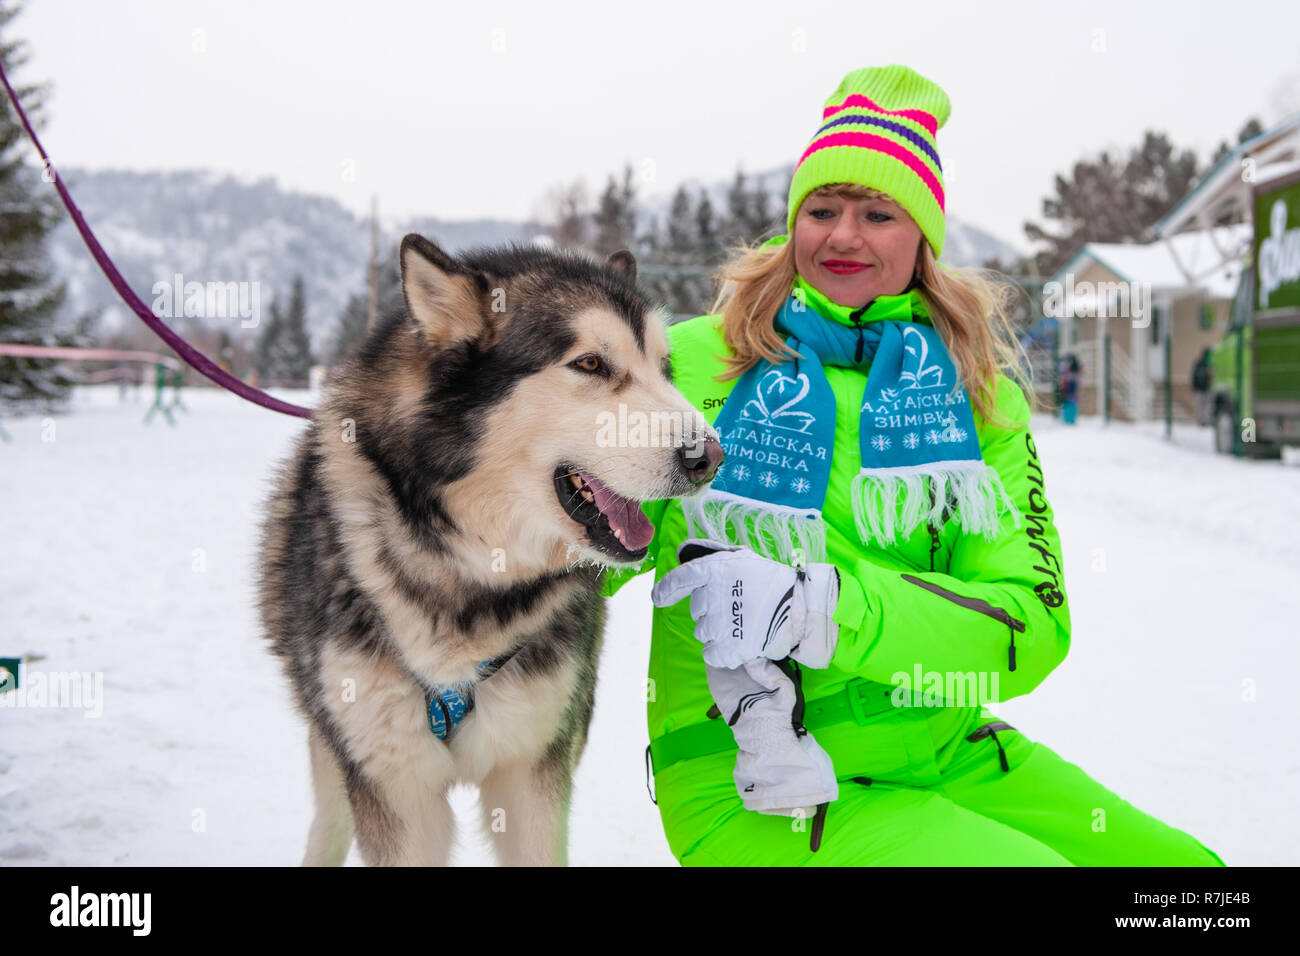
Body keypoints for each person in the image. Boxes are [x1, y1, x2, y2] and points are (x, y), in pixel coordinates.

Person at [600, 65, 1226, 866]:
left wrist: (820, 607)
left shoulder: (976, 397)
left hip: (947, 750)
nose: (843, 235)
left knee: (1191, 882)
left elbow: (1031, 625)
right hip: (760, 780)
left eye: (878, 214)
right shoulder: (688, 363)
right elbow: (572, 544)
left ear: (922, 237)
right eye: (821, 210)